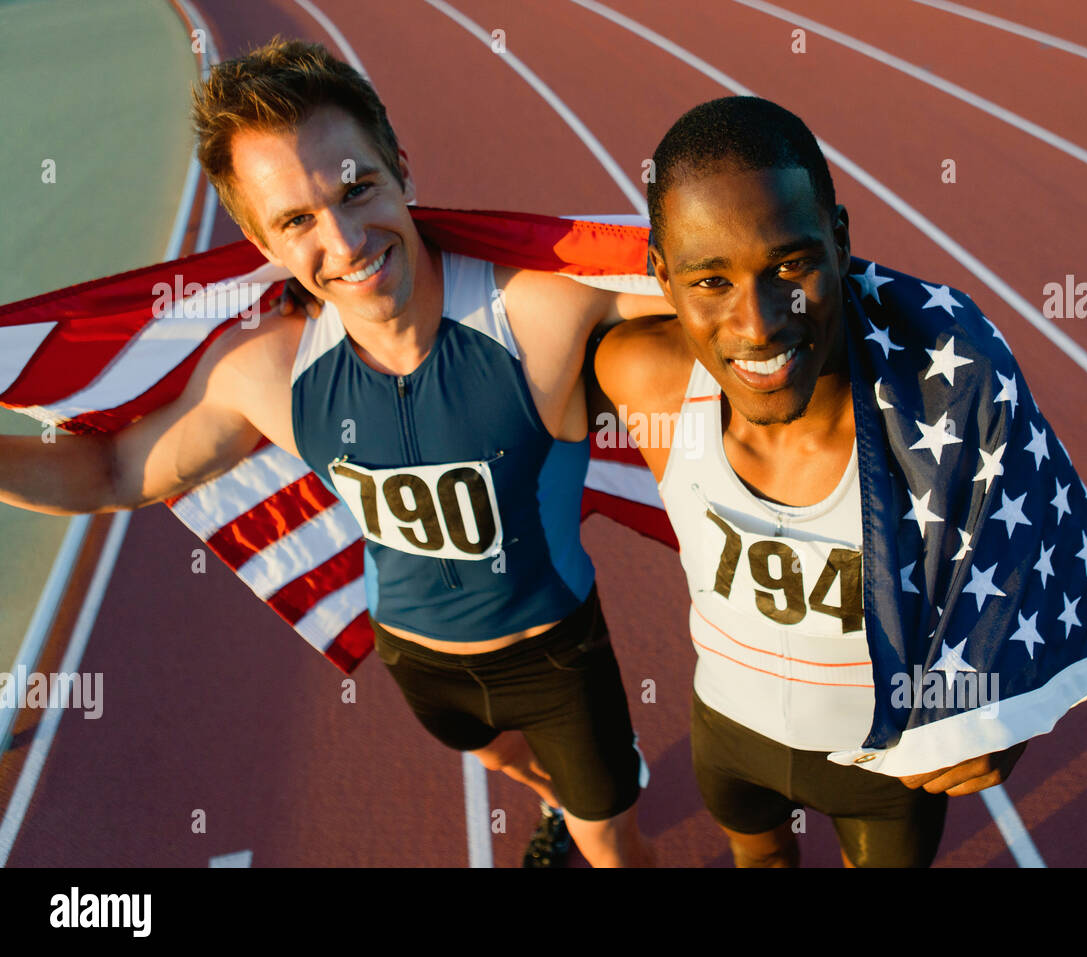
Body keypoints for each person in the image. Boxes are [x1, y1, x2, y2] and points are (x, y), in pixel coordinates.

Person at [0, 38, 665, 868]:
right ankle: (555, 796)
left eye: (358, 188)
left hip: (559, 658)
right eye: (297, 221)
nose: (346, 242)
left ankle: (595, 804)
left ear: (403, 170)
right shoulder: (269, 373)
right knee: (497, 757)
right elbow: (111, 471)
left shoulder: (538, 314)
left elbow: (712, 286)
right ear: (262, 240)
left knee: (615, 846)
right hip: (418, 662)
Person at [594, 96, 1087, 867]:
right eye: (711, 280)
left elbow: (1034, 571)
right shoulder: (641, 377)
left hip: (886, 767)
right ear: (661, 275)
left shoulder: (949, 412)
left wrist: (1006, 719)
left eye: (790, 265)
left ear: (841, 239)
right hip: (729, 741)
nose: (759, 323)